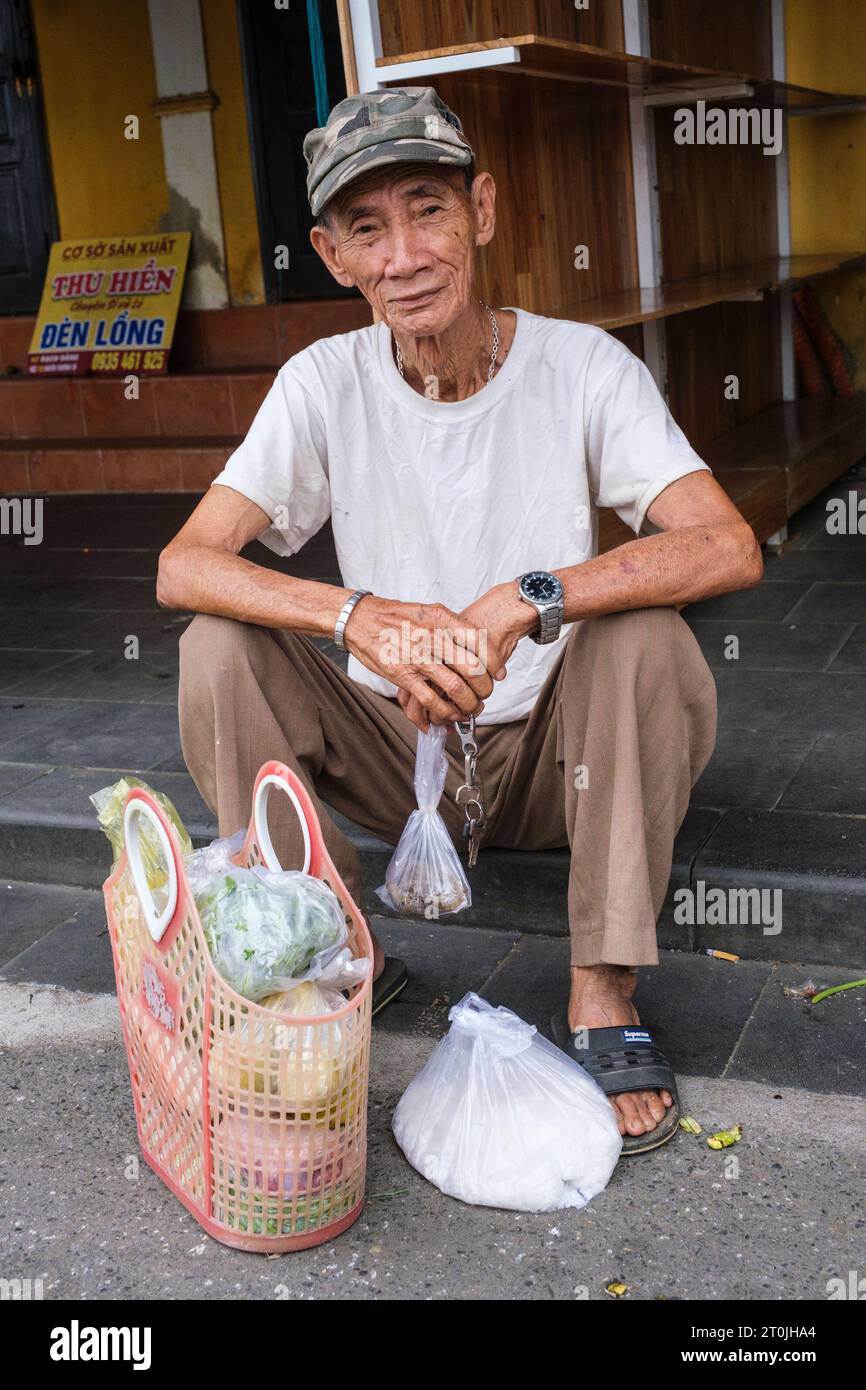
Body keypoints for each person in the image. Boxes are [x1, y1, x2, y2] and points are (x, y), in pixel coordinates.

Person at [158, 88, 762, 1155]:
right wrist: (355, 616)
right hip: (398, 752)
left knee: (642, 632)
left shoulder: (581, 366)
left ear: (481, 211)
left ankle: (601, 985)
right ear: (332, 256)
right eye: (365, 229)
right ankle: (345, 941)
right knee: (216, 645)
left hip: (552, 757)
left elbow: (724, 545)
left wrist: (524, 598)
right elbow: (183, 565)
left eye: (427, 209)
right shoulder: (320, 382)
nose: (403, 256)